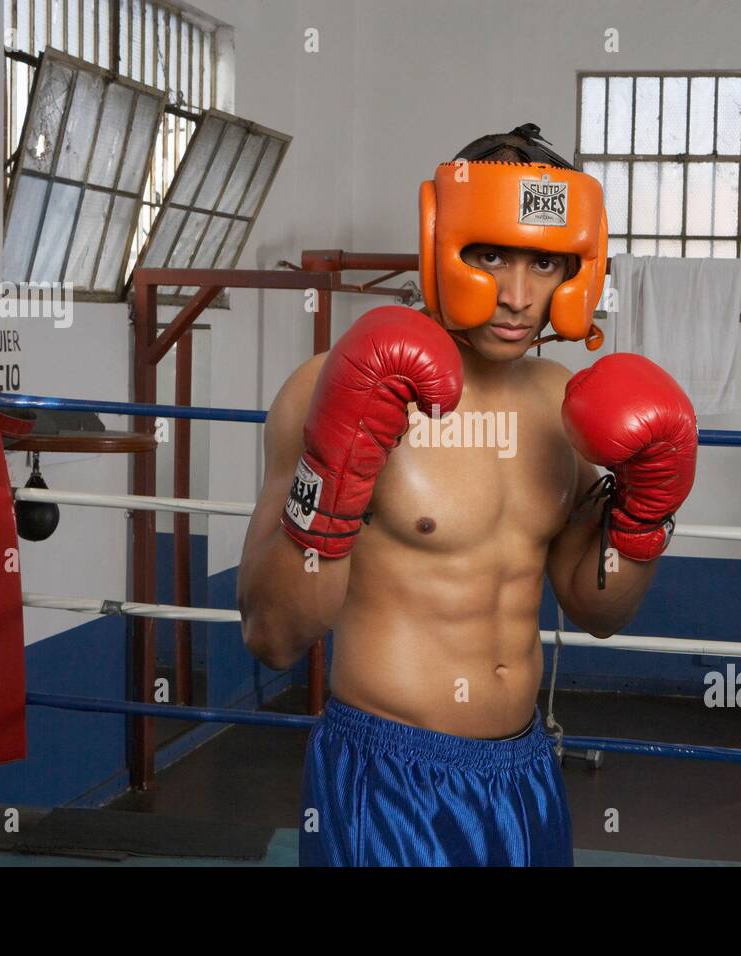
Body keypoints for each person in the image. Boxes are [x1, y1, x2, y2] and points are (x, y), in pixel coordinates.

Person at [237, 124, 698, 866]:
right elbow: (273, 637)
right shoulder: (328, 386)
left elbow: (601, 611)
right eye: (489, 256)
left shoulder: (563, 403)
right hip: (389, 779)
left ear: (575, 270)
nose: (516, 297)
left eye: (543, 262)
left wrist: (643, 514)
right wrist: (332, 481)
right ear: (440, 246)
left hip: (523, 775)